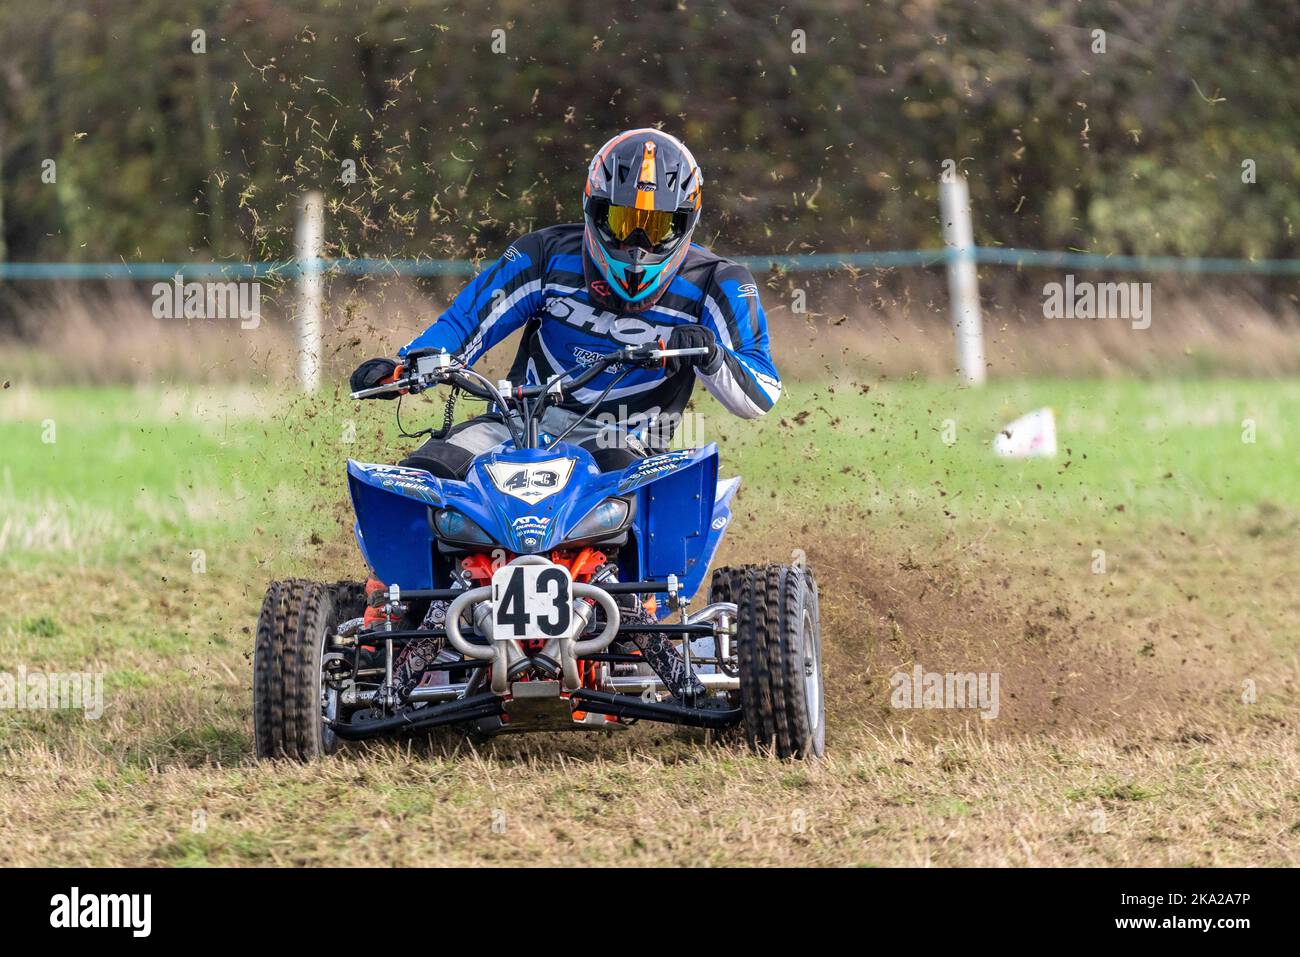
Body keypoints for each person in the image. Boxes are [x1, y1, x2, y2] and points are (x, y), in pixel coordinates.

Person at [350, 127, 781, 477]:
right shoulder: (545, 254)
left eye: (657, 228)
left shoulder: (718, 282)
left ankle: (627, 583)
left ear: (687, 223)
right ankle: (389, 587)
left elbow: (761, 394)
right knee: (426, 473)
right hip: (519, 426)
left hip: (626, 442)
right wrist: (411, 363)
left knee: (619, 478)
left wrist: (711, 354)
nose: (637, 244)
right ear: (593, 210)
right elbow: (466, 322)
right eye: (622, 221)